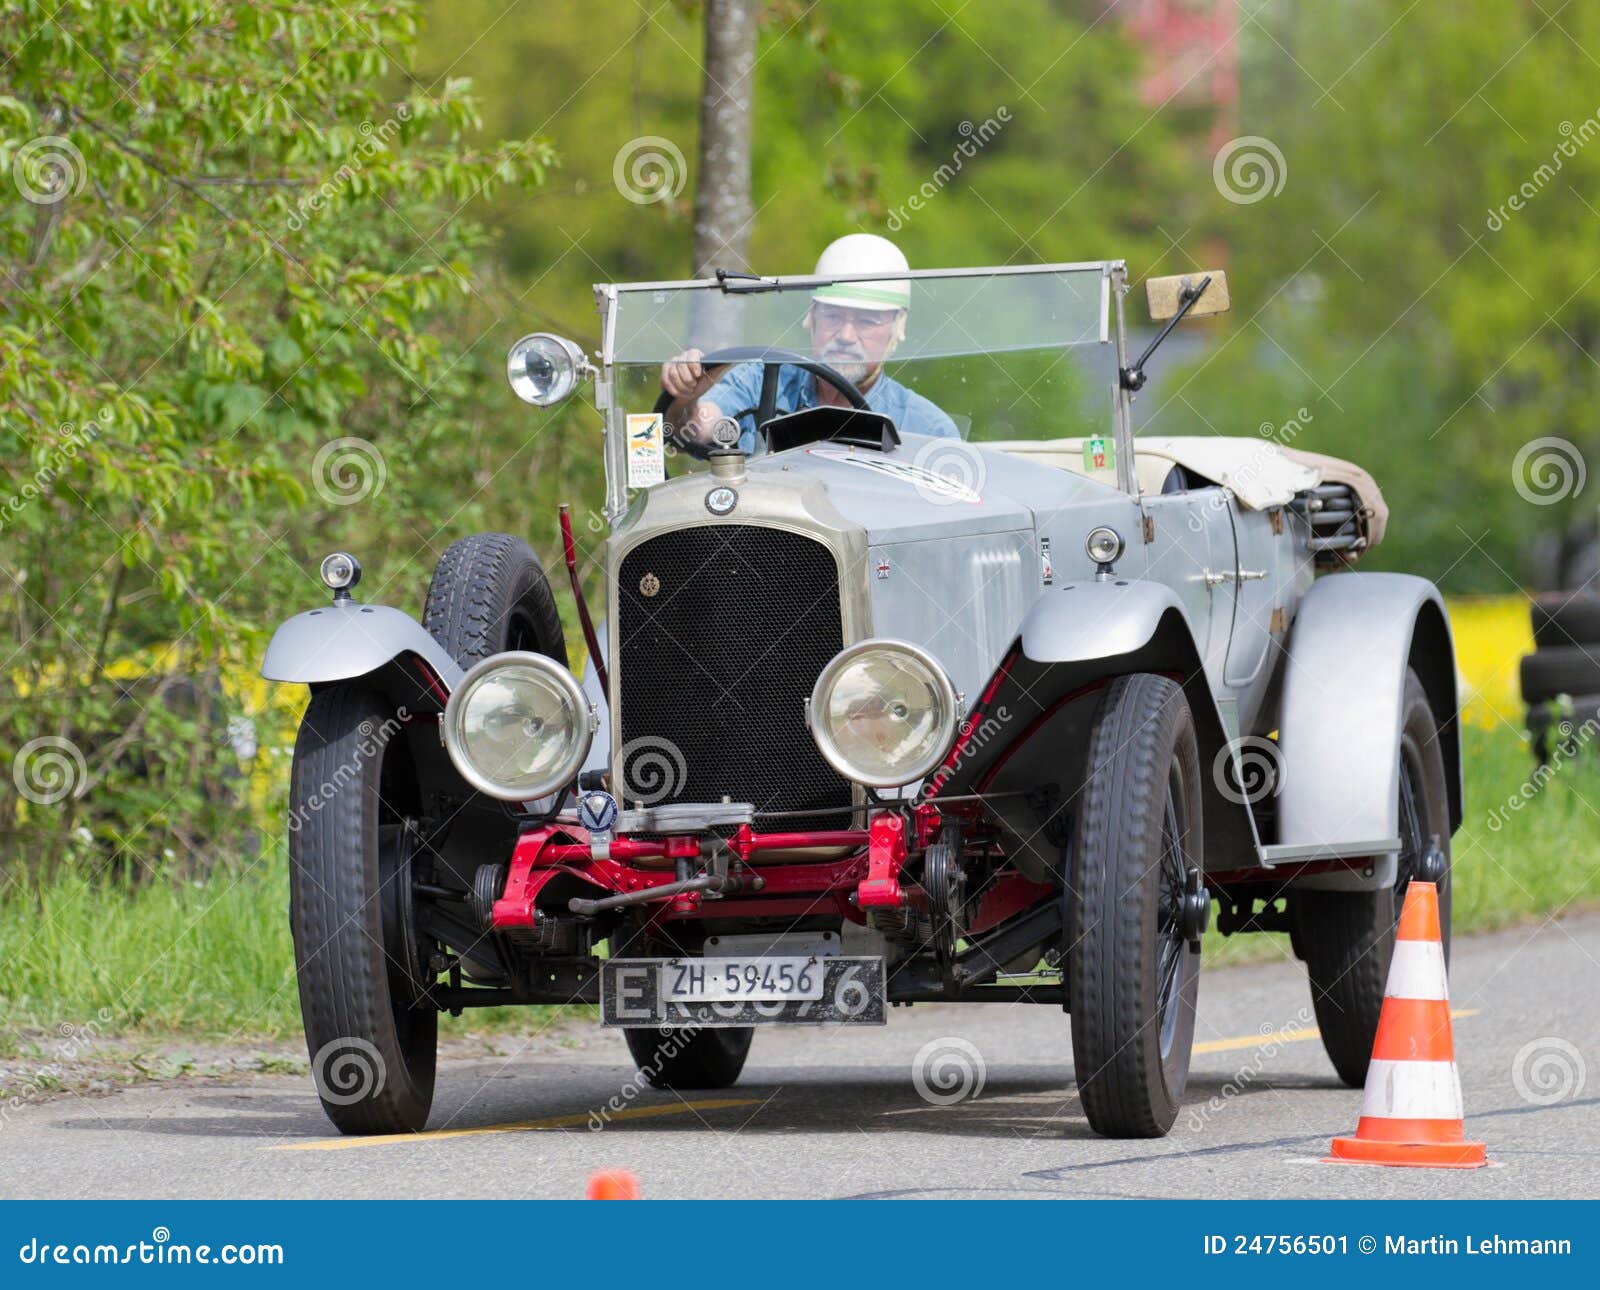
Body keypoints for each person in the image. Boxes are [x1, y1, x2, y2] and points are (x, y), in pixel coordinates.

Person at [660, 233, 959, 452]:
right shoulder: (760, 382)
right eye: (832, 316)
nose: (845, 335)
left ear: (897, 328)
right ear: (811, 317)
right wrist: (686, 395)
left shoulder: (928, 431)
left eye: (867, 321)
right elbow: (697, 428)